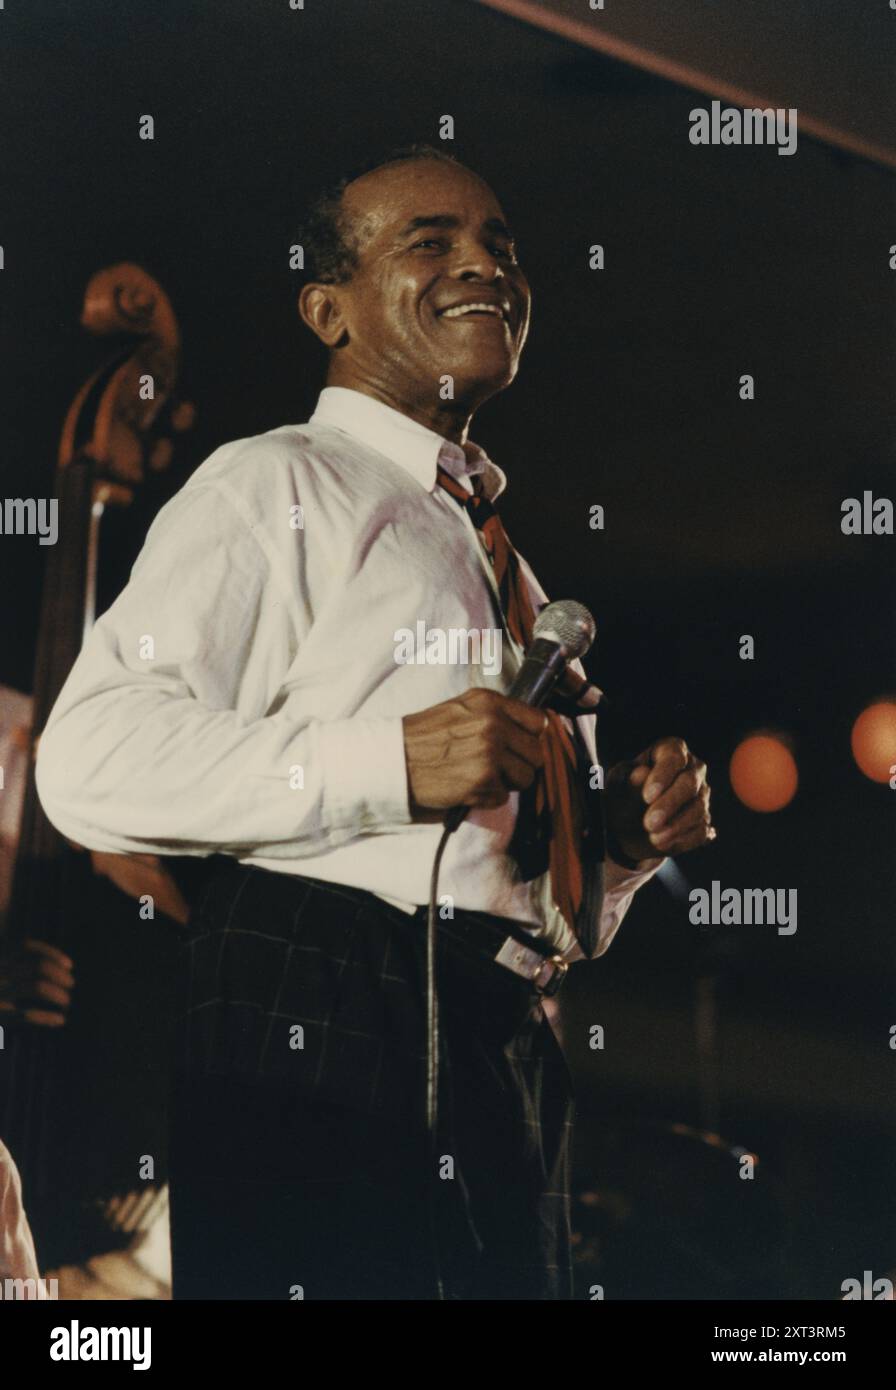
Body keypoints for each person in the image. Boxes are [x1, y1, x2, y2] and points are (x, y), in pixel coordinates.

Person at [34, 144, 714, 1300]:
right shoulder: (277, 483)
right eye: (429, 241)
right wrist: (388, 761)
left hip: (502, 1028)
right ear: (329, 312)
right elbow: (86, 755)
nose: (484, 264)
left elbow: (530, 897)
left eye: (499, 242)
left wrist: (619, 855)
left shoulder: (500, 558)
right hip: (324, 995)